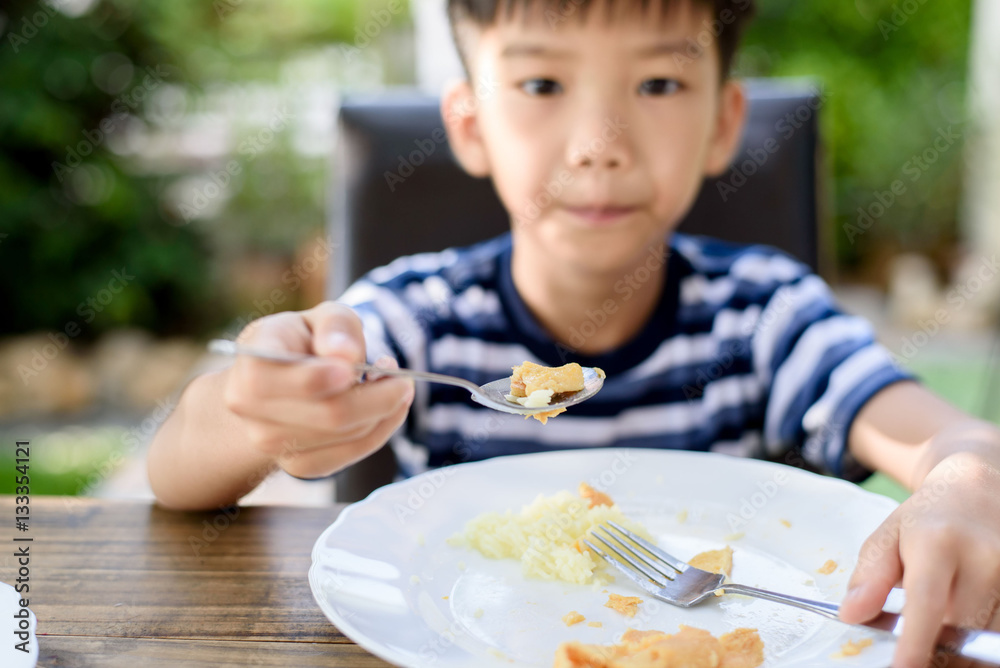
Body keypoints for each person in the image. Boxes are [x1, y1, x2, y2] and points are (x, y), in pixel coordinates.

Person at [148, 0, 1000, 665]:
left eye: (659, 85)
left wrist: (964, 482)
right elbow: (177, 473)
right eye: (543, 85)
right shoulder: (418, 319)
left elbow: (954, 441)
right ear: (471, 124)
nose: (599, 145)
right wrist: (255, 406)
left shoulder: (766, 316)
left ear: (724, 122)